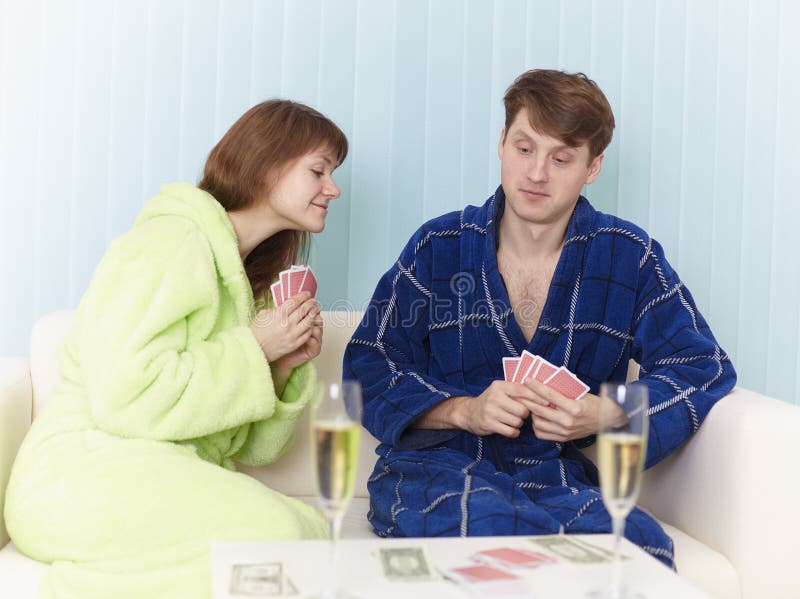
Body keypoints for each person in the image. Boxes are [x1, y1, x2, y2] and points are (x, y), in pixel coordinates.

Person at [343, 69, 736, 569]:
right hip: (437, 470)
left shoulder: (628, 256)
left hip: (555, 478)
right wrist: (464, 411)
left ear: (592, 167)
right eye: (524, 148)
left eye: (561, 158)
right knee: (485, 526)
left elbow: (702, 367)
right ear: (502, 142)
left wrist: (608, 412)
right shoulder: (438, 247)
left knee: (641, 547)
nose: (536, 173)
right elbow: (368, 364)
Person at [5, 100, 347, 598]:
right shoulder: (168, 241)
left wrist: (278, 366)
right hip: (78, 476)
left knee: (311, 537)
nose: (333, 189)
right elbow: (123, 396)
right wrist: (255, 346)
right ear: (266, 165)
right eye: (318, 170)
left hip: (154, 473)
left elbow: (256, 450)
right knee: (286, 538)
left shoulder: (247, 287)